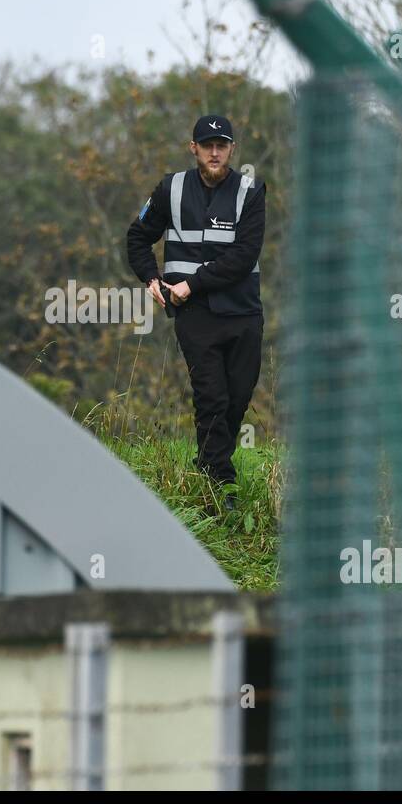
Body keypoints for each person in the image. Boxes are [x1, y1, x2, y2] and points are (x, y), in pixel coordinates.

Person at [125, 115, 266, 511]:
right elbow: (138, 236)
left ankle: (209, 467)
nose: (215, 152)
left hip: (243, 313)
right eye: (207, 145)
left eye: (222, 144)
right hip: (196, 316)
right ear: (194, 148)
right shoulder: (170, 188)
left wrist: (193, 282)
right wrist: (151, 278)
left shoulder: (250, 192)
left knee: (237, 399)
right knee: (211, 398)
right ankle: (218, 485)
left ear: (232, 148)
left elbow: (244, 255)